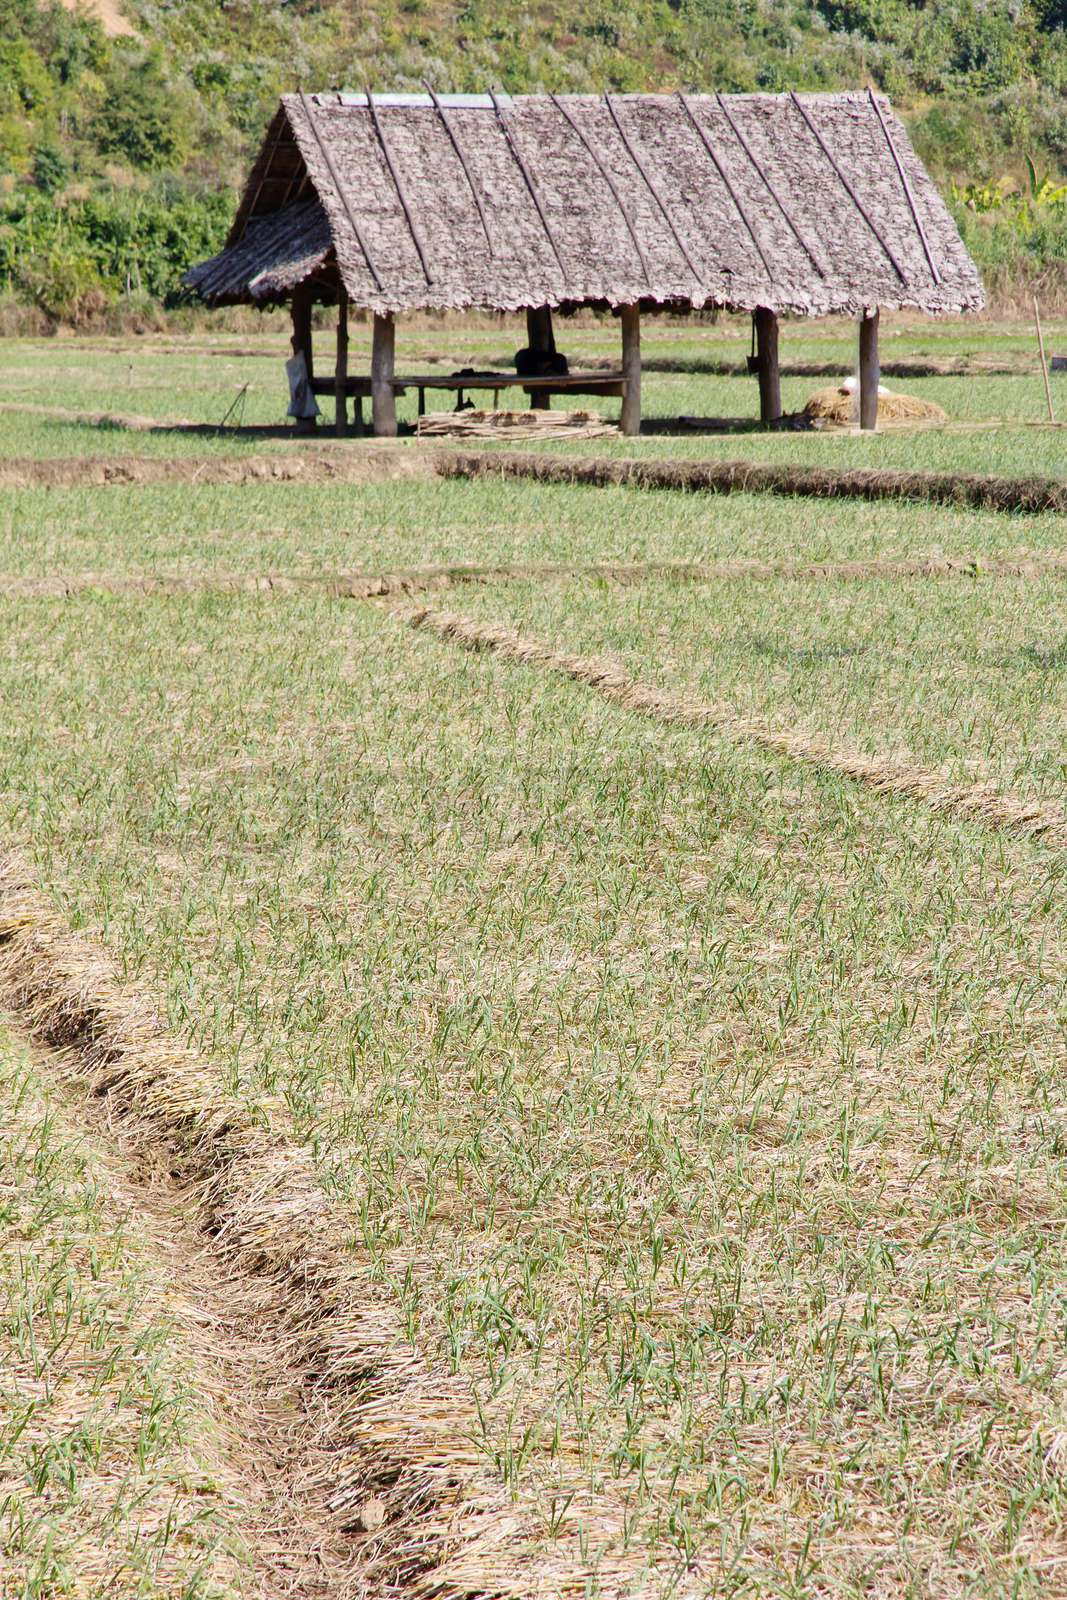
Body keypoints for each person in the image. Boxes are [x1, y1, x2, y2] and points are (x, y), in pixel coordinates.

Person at [285, 337, 320, 432]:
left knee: (305, 404)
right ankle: (304, 427)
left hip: (303, 385)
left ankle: (307, 427)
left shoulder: (300, 360)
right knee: (301, 404)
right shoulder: (297, 361)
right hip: (300, 387)